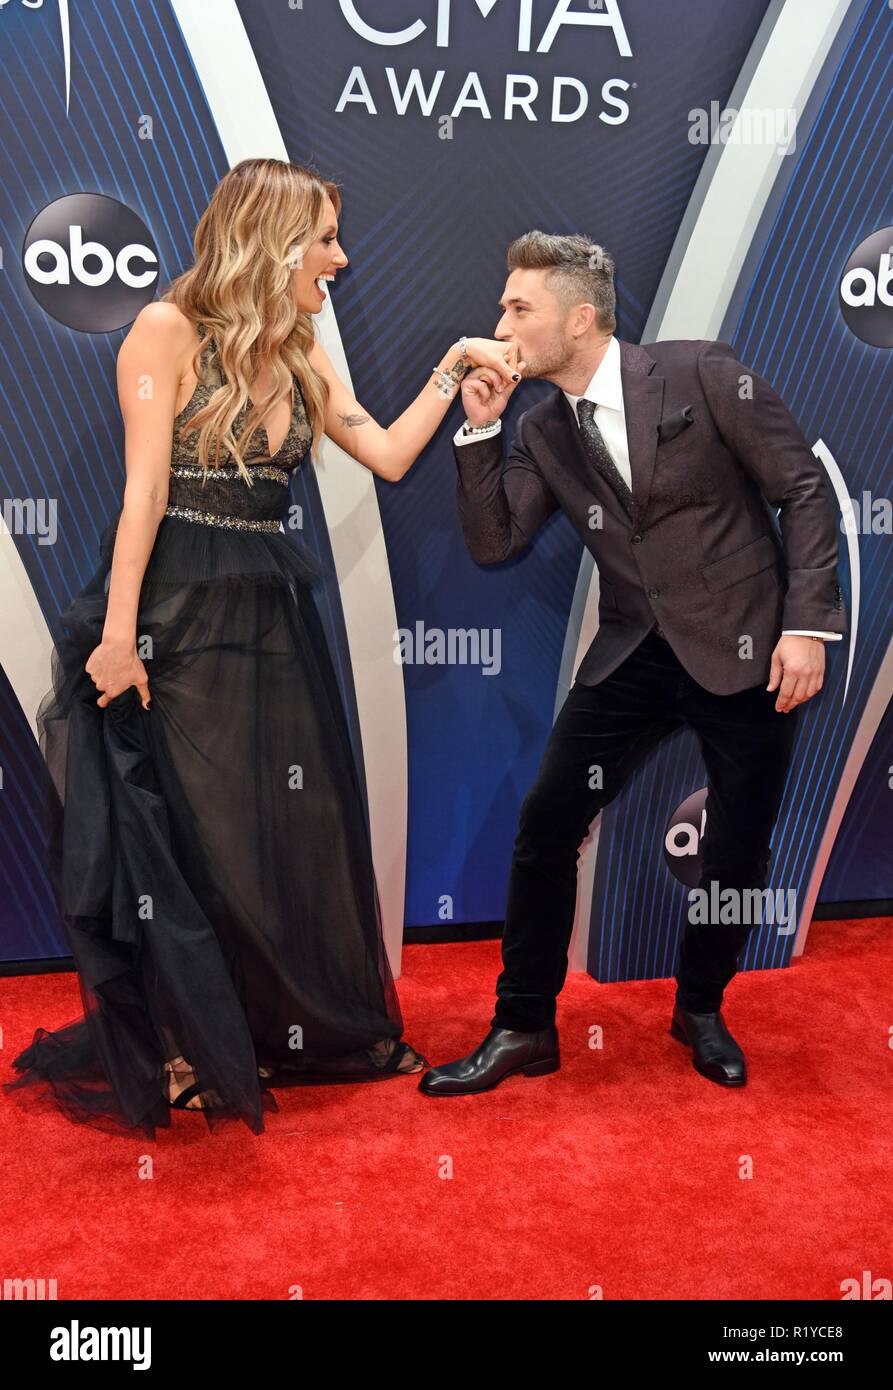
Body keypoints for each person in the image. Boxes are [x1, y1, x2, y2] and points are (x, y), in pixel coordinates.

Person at [5, 158, 518, 1137]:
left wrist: (458, 375)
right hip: (171, 622)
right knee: (183, 843)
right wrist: (119, 640)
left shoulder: (301, 350)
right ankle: (186, 1044)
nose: (339, 256)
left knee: (271, 836)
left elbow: (389, 452)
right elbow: (145, 495)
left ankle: (272, 1029)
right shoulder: (164, 330)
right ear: (272, 238)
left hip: (269, 619)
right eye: (324, 236)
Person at [420, 232, 846, 1098]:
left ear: (579, 319)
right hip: (631, 651)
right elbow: (494, 540)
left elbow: (801, 489)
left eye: (517, 307)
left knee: (735, 846)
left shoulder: (698, 373)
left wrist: (807, 625)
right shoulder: (541, 429)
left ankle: (699, 1008)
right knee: (545, 825)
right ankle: (523, 1025)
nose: (500, 321)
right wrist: (478, 429)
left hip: (746, 646)